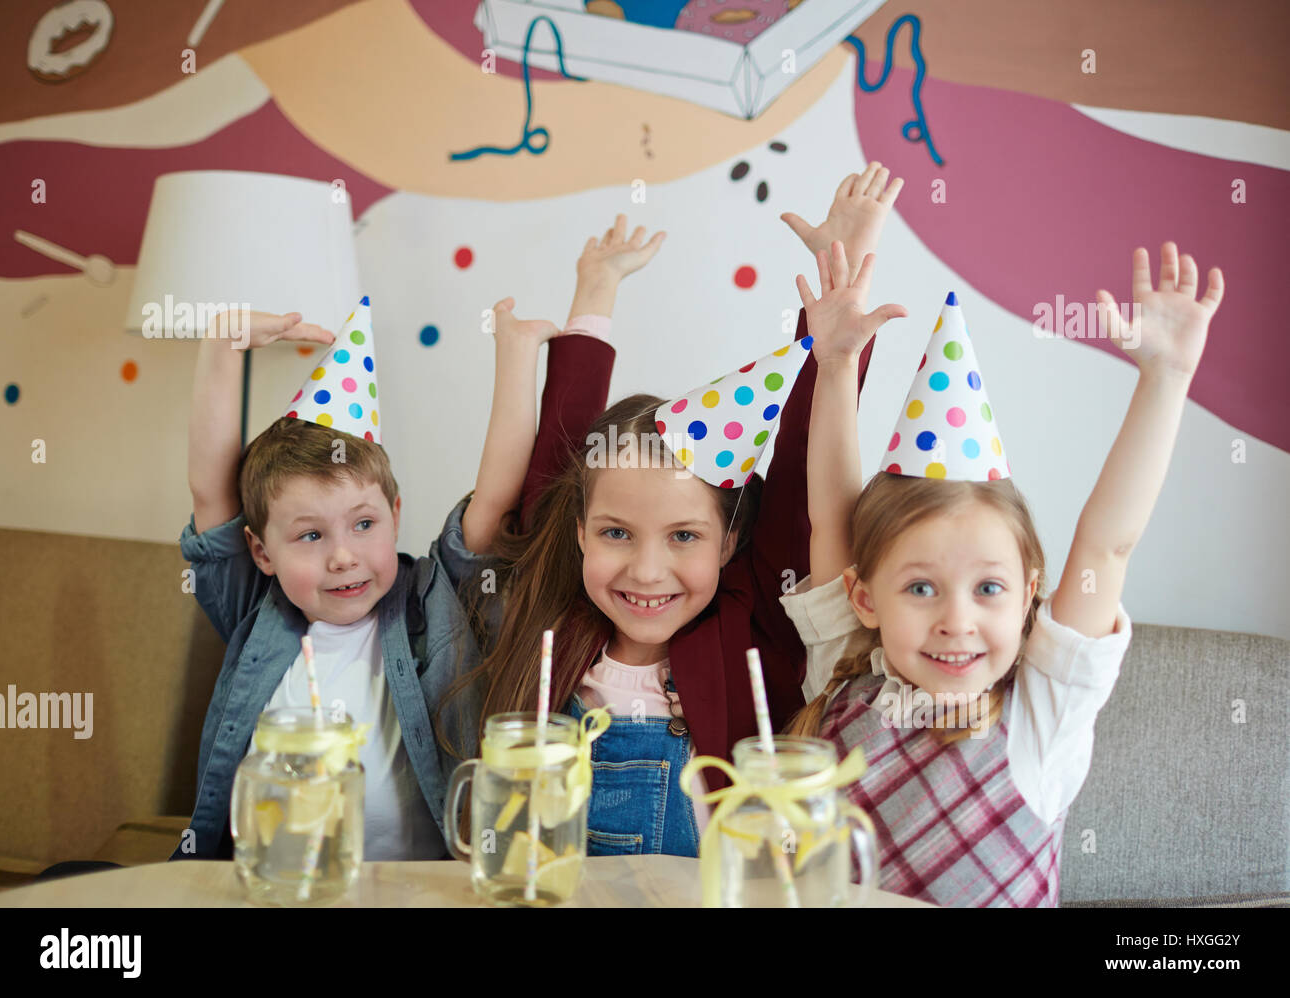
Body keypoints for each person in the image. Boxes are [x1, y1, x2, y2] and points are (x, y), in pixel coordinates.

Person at [435, 164, 905, 856]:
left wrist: (838, 296)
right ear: (578, 535)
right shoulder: (552, 620)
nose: (647, 569)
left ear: (729, 540)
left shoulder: (756, 625)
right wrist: (593, 297)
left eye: (684, 535)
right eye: (616, 532)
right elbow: (560, 453)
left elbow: (812, 470)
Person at [783, 242, 1225, 905]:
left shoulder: (1043, 715)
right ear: (863, 597)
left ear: (1028, 596)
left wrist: (1165, 378)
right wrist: (837, 364)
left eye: (988, 588)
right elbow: (832, 517)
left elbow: (1105, 548)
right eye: (921, 587)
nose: (956, 620)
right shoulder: (846, 667)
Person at [174, 297, 484, 862]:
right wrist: (221, 348)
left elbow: (492, 510)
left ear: (396, 514)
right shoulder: (256, 609)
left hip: (415, 896)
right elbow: (210, 496)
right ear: (261, 551)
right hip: (281, 890)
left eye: (364, 524)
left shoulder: (431, 600)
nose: (343, 557)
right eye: (310, 536)